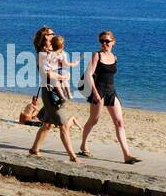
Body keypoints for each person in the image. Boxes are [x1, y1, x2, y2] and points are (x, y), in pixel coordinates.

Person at [80, 30, 142, 163]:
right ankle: (83, 145)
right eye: (101, 41)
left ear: (113, 42)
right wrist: (95, 93)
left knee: (119, 122)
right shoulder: (96, 55)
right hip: (98, 91)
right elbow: (88, 75)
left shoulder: (114, 57)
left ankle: (127, 155)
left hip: (111, 91)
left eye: (107, 41)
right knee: (94, 120)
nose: (104, 43)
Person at [29, 32, 79, 162]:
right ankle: (72, 156)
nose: (53, 35)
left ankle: (34, 149)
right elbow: (48, 75)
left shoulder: (53, 53)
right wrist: (63, 77)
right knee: (63, 125)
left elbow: (62, 65)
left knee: (47, 125)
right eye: (51, 33)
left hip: (56, 91)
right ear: (45, 37)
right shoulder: (42, 55)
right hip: (50, 92)